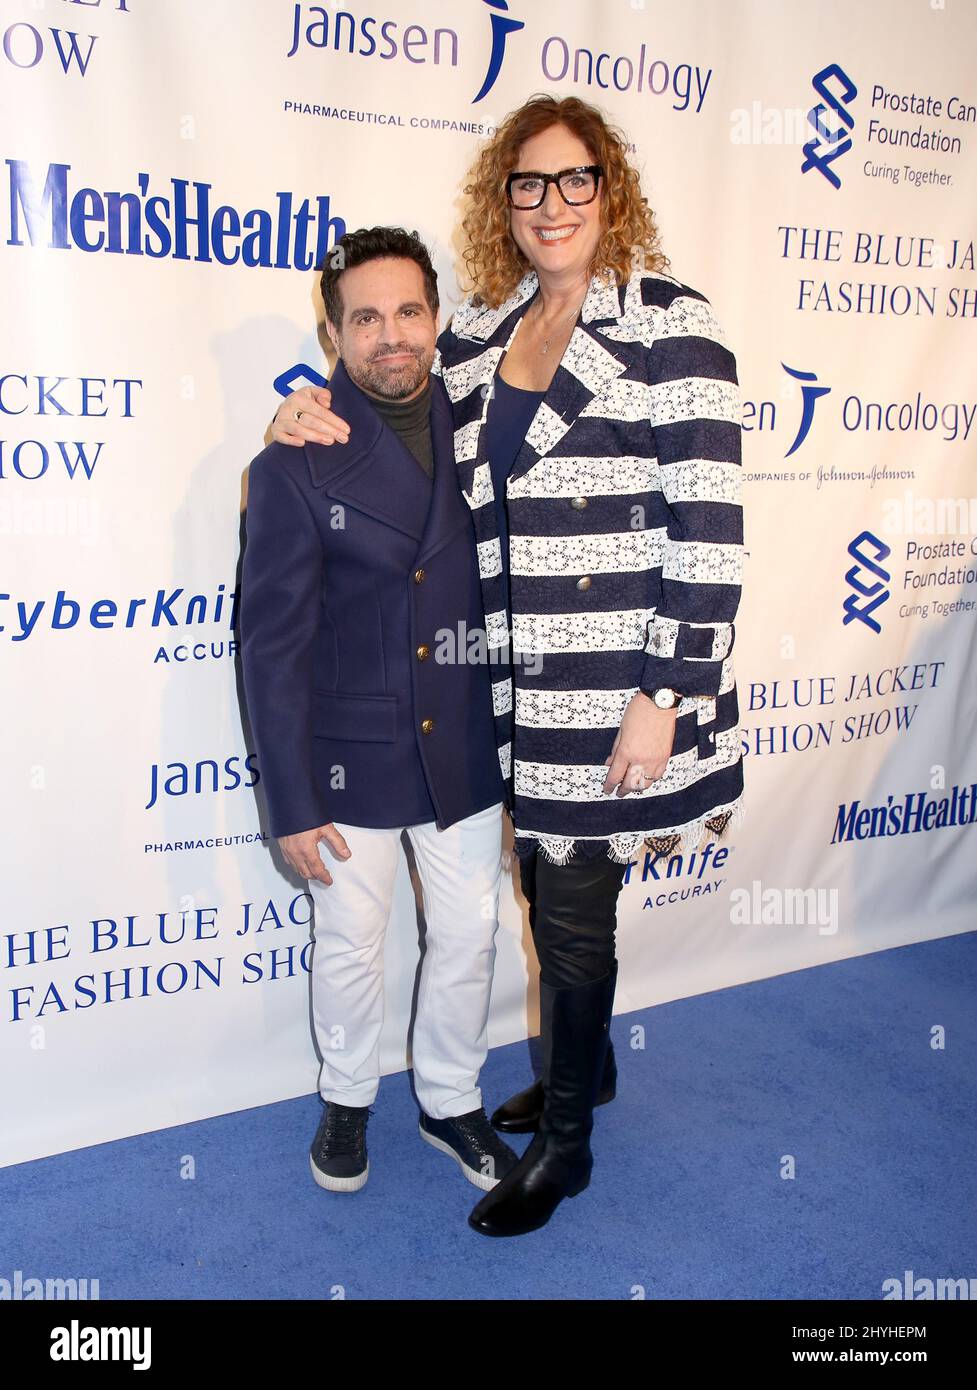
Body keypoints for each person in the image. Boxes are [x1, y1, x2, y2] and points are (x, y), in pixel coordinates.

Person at [270, 94, 745, 1237]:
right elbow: (394, 400)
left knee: (569, 915)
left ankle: (568, 1146)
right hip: (515, 693)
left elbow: (711, 537)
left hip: (621, 693)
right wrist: (301, 413)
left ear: (608, 186)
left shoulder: (674, 332)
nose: (549, 204)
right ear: (504, 202)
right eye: (526, 185)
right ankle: (595, 1070)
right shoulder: (484, 332)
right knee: (550, 902)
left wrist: (660, 697)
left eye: (572, 178)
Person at [241, 226, 519, 1199]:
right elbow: (270, 644)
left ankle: (449, 1098)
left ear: (435, 318)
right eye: (366, 318)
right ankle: (347, 1097)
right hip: (351, 752)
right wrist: (288, 795)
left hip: (467, 739)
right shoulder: (292, 462)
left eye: (407, 312)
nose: (390, 336)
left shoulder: (487, 420)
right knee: (351, 946)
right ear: (334, 333)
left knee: (469, 936)